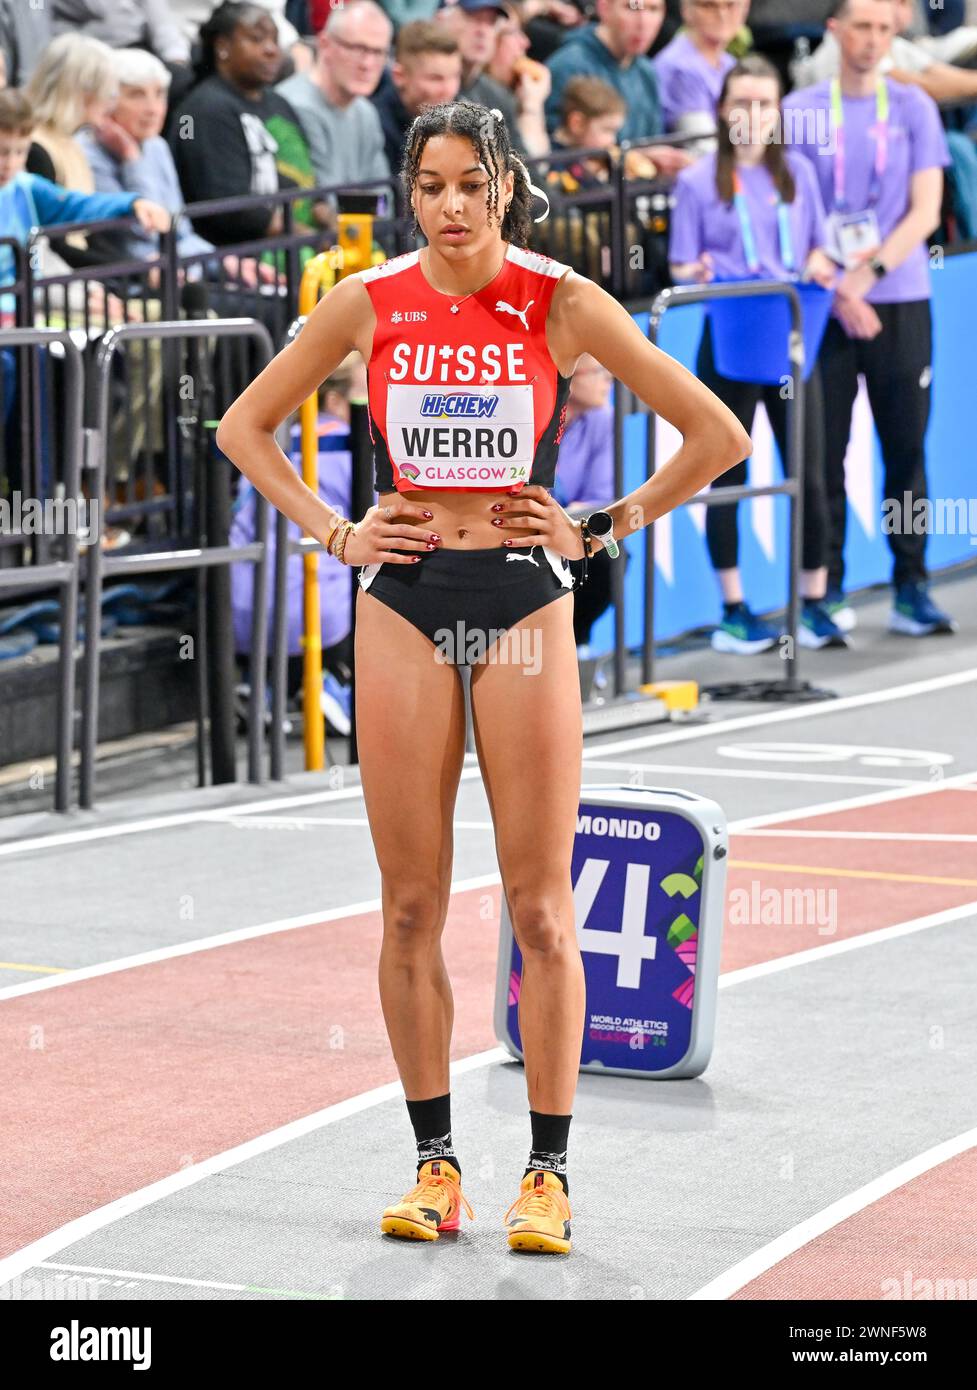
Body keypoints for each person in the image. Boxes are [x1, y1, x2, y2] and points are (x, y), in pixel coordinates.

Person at [216, 96, 752, 1254]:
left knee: (539, 908)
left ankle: (547, 1174)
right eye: (428, 187)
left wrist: (603, 523)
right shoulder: (367, 303)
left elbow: (715, 433)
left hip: (521, 602)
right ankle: (433, 1164)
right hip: (405, 604)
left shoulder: (560, 302)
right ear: (408, 197)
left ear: (503, 184)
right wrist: (336, 531)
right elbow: (243, 429)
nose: (450, 206)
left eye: (469, 184)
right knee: (410, 905)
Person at [783, 0, 957, 636]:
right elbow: (788, 208)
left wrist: (870, 276)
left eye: (885, 28)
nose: (873, 39)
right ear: (836, 31)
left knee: (905, 448)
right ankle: (822, 594)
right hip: (825, 302)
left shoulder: (913, 107)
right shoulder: (800, 111)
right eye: (862, 26)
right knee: (825, 452)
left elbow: (925, 210)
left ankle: (911, 585)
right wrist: (840, 285)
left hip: (901, 299)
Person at [670, 56, 845, 652]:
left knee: (811, 470)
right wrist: (696, 271)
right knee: (726, 473)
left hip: (792, 337)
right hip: (729, 337)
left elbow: (822, 246)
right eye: (741, 103)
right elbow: (680, 264)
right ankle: (734, 609)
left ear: (779, 110)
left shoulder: (797, 172)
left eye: (764, 104)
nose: (752, 115)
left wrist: (825, 262)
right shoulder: (696, 181)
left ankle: (815, 601)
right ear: (722, 110)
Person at [168, 1, 317, 246]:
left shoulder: (279, 102)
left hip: (294, 241)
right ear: (223, 47)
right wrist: (312, 238)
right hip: (242, 258)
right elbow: (229, 208)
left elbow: (306, 178)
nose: (271, 50)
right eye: (257, 39)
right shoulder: (203, 110)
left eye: (274, 40)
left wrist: (327, 218)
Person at [275, 0, 393, 193]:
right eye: (357, 49)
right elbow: (324, 203)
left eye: (378, 52)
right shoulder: (293, 105)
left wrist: (374, 215)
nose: (367, 64)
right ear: (325, 45)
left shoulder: (366, 112)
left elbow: (383, 198)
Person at [543, 0, 671, 148]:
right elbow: (555, 150)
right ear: (604, 7)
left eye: (653, 9)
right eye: (631, 7)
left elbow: (654, 139)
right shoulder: (568, 67)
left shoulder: (647, 71)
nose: (643, 22)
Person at [435, 0, 540, 158]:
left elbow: (524, 166)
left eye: (491, 22)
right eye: (473, 19)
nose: (482, 31)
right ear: (443, 20)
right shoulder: (430, 88)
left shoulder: (498, 96)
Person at [370, 20, 463, 176]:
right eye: (436, 78)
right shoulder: (375, 125)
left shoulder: (464, 118)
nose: (449, 90)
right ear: (399, 76)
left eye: (455, 76)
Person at [653, 0, 746, 139]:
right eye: (708, 5)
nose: (722, 14)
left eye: (730, 5)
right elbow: (702, 145)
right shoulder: (679, 67)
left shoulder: (730, 64)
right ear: (686, 10)